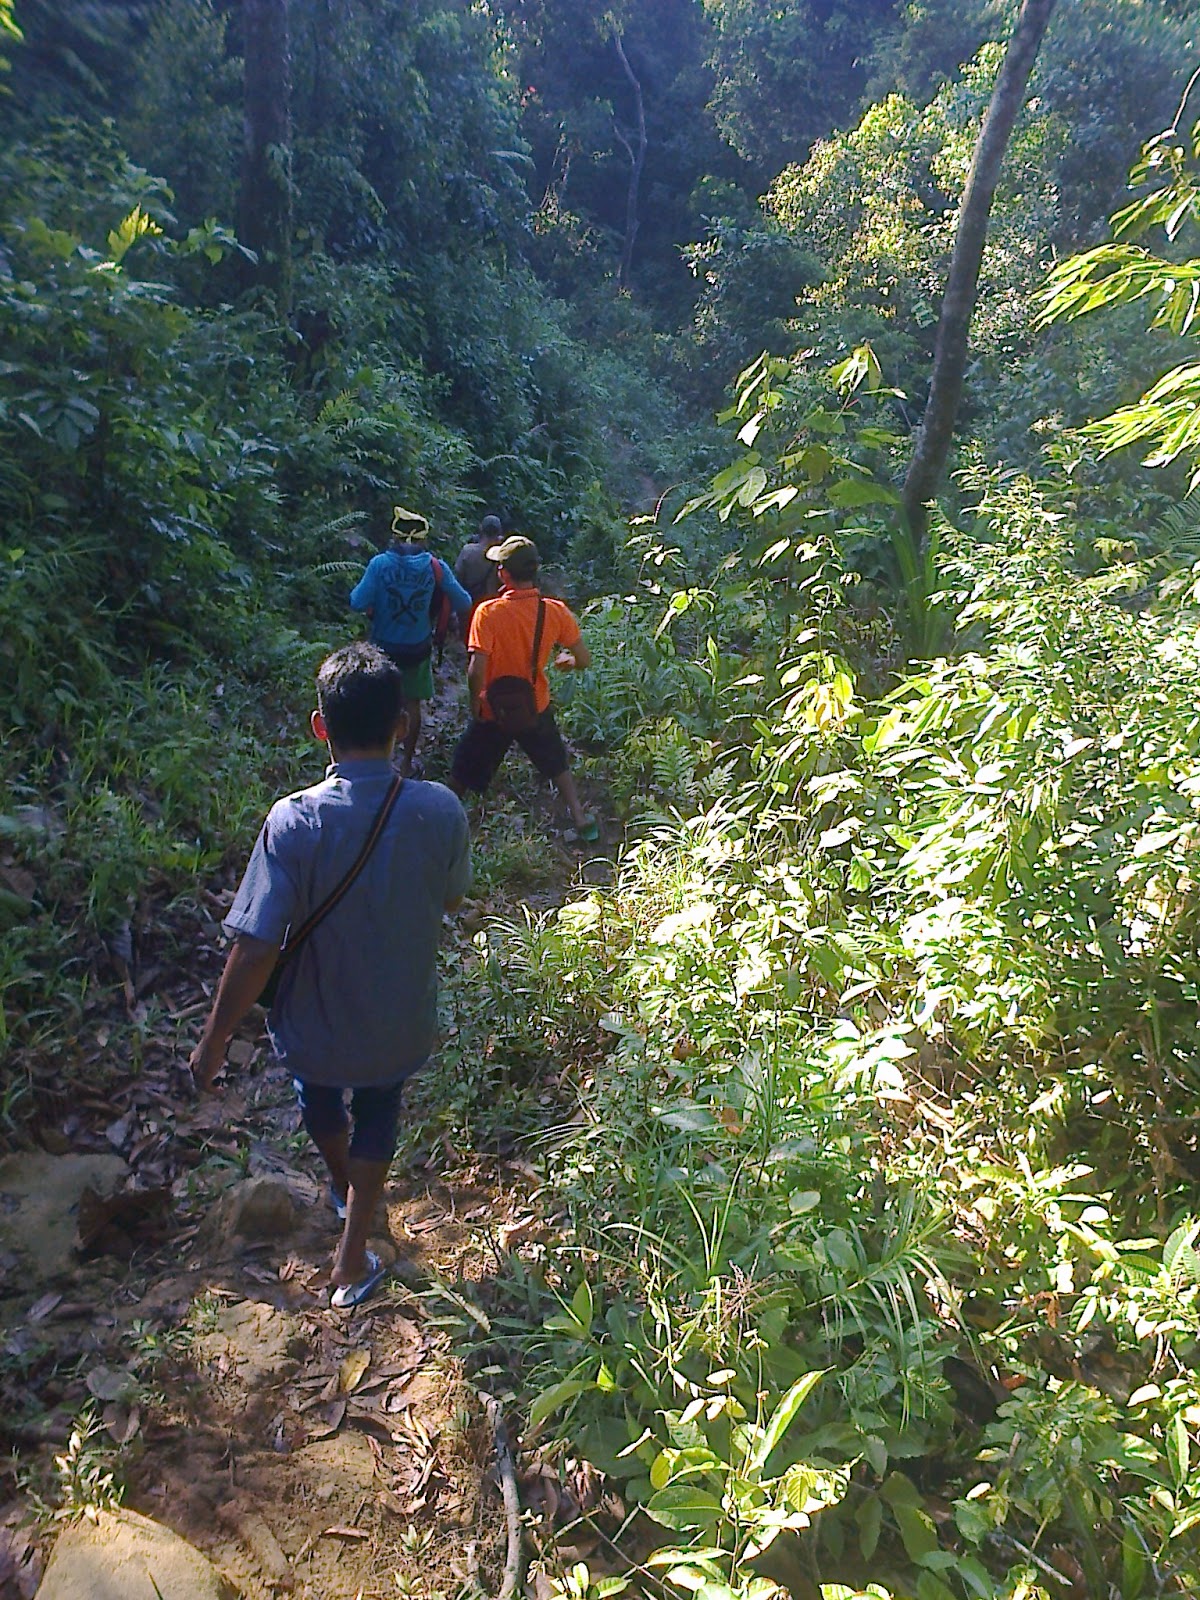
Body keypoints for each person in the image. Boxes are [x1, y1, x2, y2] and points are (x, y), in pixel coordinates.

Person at [189, 643, 471, 1309]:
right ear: (402, 723)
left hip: (314, 1023)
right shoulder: (441, 810)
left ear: (321, 726)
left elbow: (256, 946)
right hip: (399, 1020)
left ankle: (349, 1198)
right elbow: (453, 899)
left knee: (319, 1098)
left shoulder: (292, 820)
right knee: (380, 1106)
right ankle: (355, 1240)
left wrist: (214, 1041)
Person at [448, 535, 598, 842]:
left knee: (463, 768)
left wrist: (475, 703)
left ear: (503, 572)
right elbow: (583, 658)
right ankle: (581, 819)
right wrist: (567, 661)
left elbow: (476, 669)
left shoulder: (487, 613)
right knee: (556, 762)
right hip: (534, 705)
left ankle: (445, 822)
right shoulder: (554, 611)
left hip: (494, 708)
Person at [349, 505, 471, 775]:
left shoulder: (379, 564)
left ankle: (379, 760)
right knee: (412, 705)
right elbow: (464, 601)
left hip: (381, 651)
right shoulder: (435, 567)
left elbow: (357, 601)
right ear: (422, 539)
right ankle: (406, 762)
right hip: (417, 650)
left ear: (394, 536)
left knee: (380, 704)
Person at [455, 513, 503, 627]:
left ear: (481, 529)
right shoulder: (501, 554)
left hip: (468, 605)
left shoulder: (468, 551)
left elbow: (458, 577)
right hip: (491, 606)